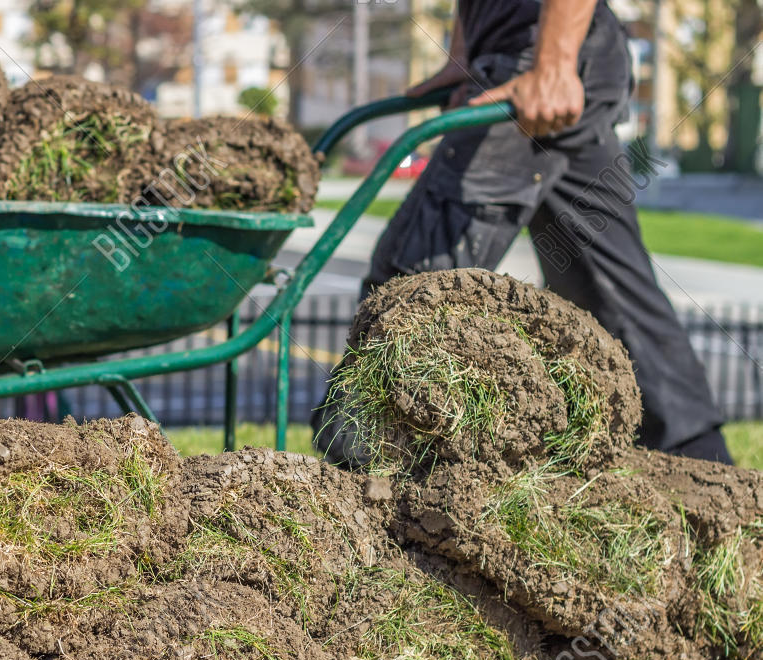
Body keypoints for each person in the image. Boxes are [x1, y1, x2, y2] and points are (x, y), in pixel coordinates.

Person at [314, 0, 733, 465]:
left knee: (410, 287)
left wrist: (553, 63)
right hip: (542, 54)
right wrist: (464, 54)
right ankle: (706, 474)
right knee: (603, 275)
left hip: (539, 59)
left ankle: (357, 480)